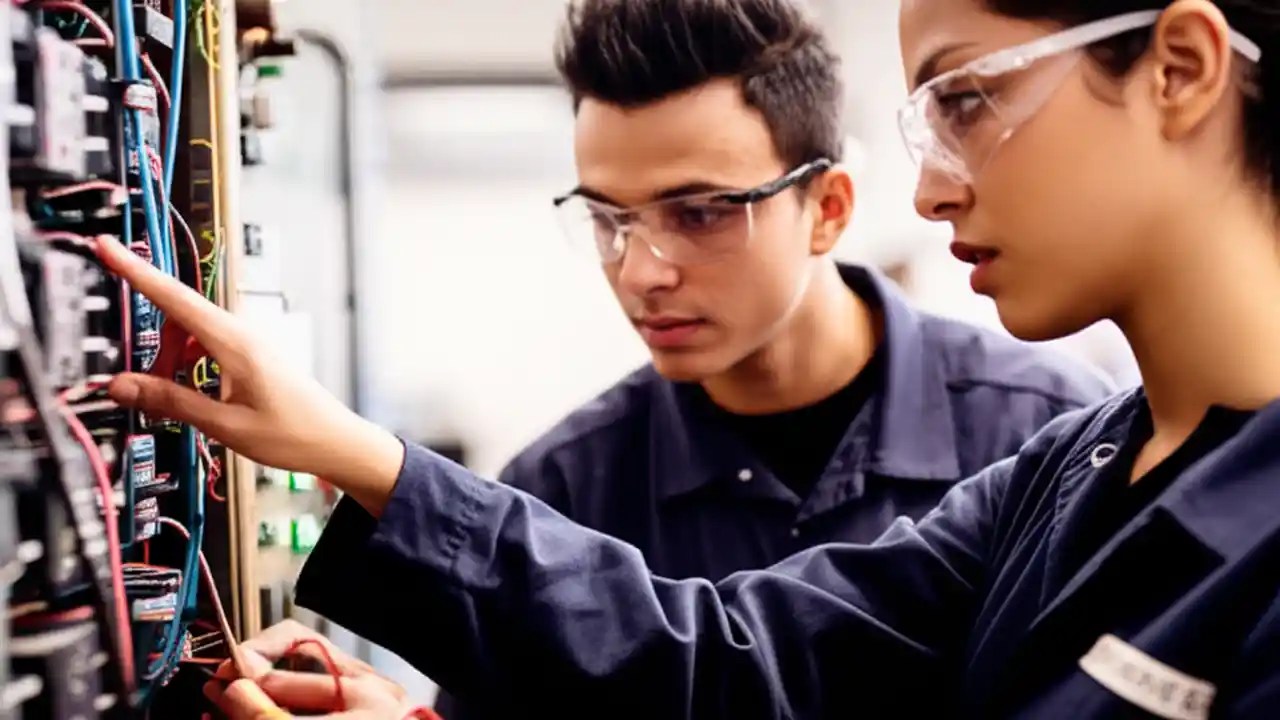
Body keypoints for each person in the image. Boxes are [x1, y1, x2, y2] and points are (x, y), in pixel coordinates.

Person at [97, 0, 1280, 716]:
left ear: (1177, 68)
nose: (931, 187)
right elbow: (733, 667)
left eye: (967, 101)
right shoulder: (1071, 474)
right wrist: (352, 452)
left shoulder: (1052, 434)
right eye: (609, 219)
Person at [451, 1, 1111, 715]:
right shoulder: (561, 495)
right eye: (609, 219)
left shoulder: (1051, 441)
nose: (641, 272)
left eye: (698, 213)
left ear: (827, 209)